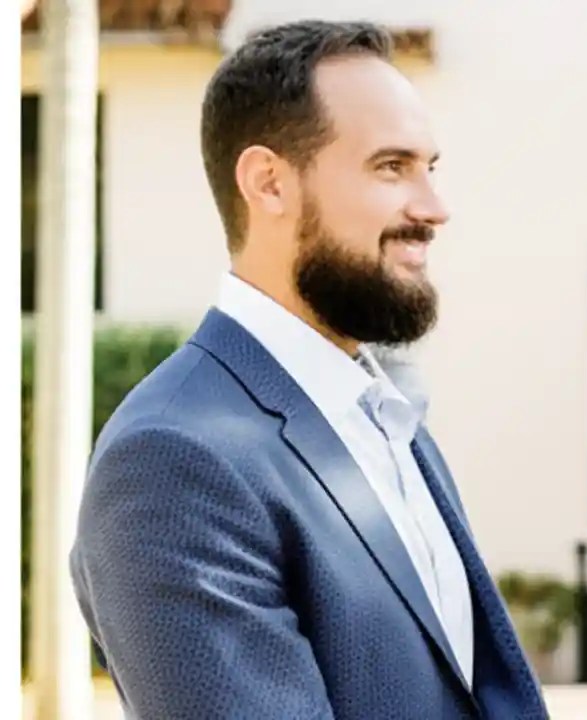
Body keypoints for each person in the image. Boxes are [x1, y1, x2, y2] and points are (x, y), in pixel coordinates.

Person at [69, 20, 547, 720]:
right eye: (391, 167)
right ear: (268, 184)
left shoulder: (384, 418)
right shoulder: (173, 459)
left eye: (430, 168)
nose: (434, 208)